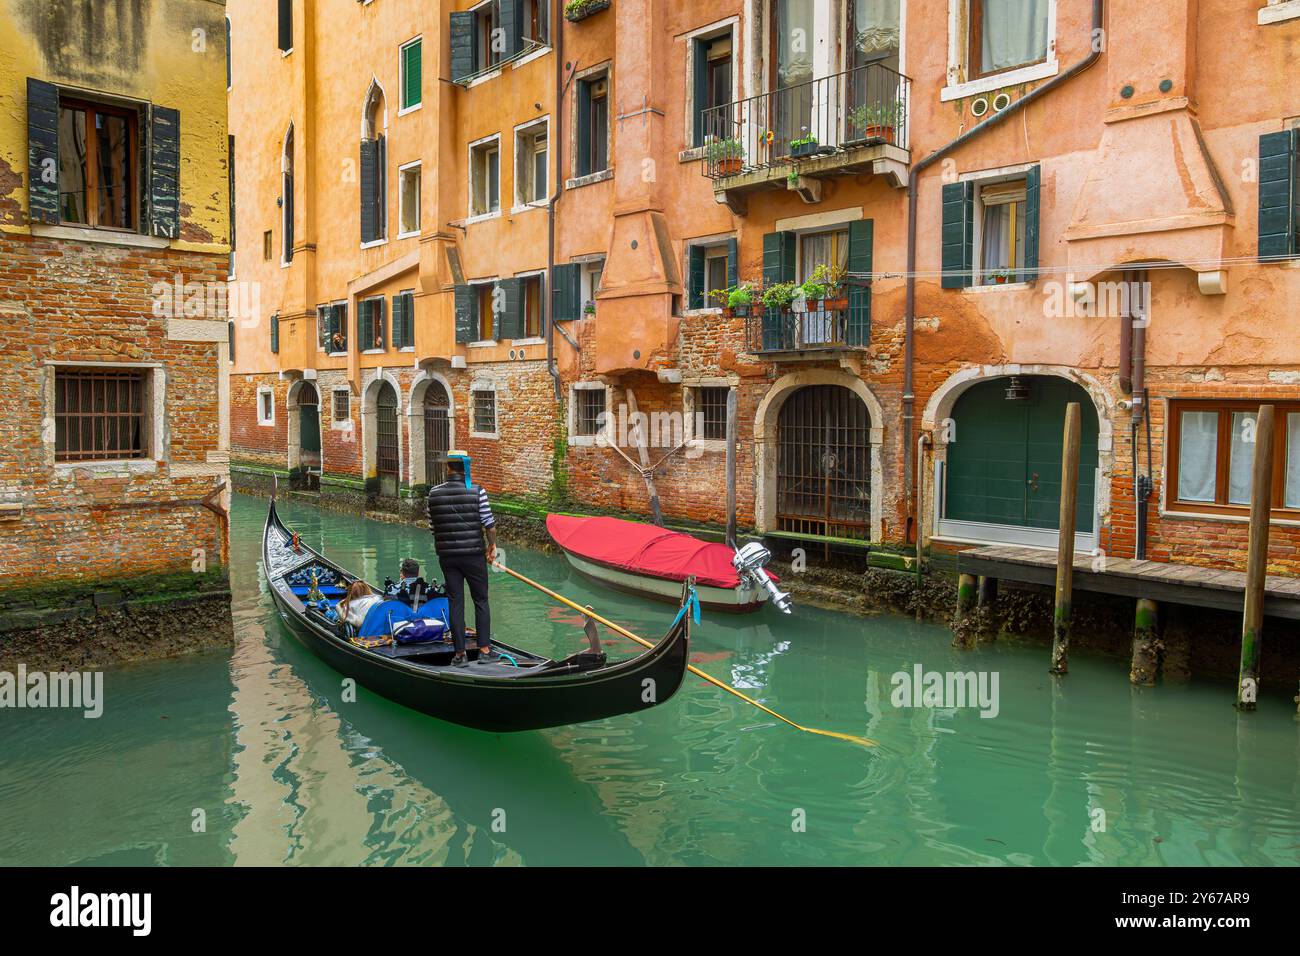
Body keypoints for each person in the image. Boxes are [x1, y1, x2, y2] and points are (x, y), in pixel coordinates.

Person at [426, 456, 497, 667]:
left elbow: (432, 528)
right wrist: (491, 547)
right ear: (465, 468)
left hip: (447, 557)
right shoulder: (477, 491)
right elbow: (489, 525)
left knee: (455, 601)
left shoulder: (433, 494)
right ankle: (484, 650)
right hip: (474, 555)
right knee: (481, 600)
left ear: (448, 467)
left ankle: (460, 654)